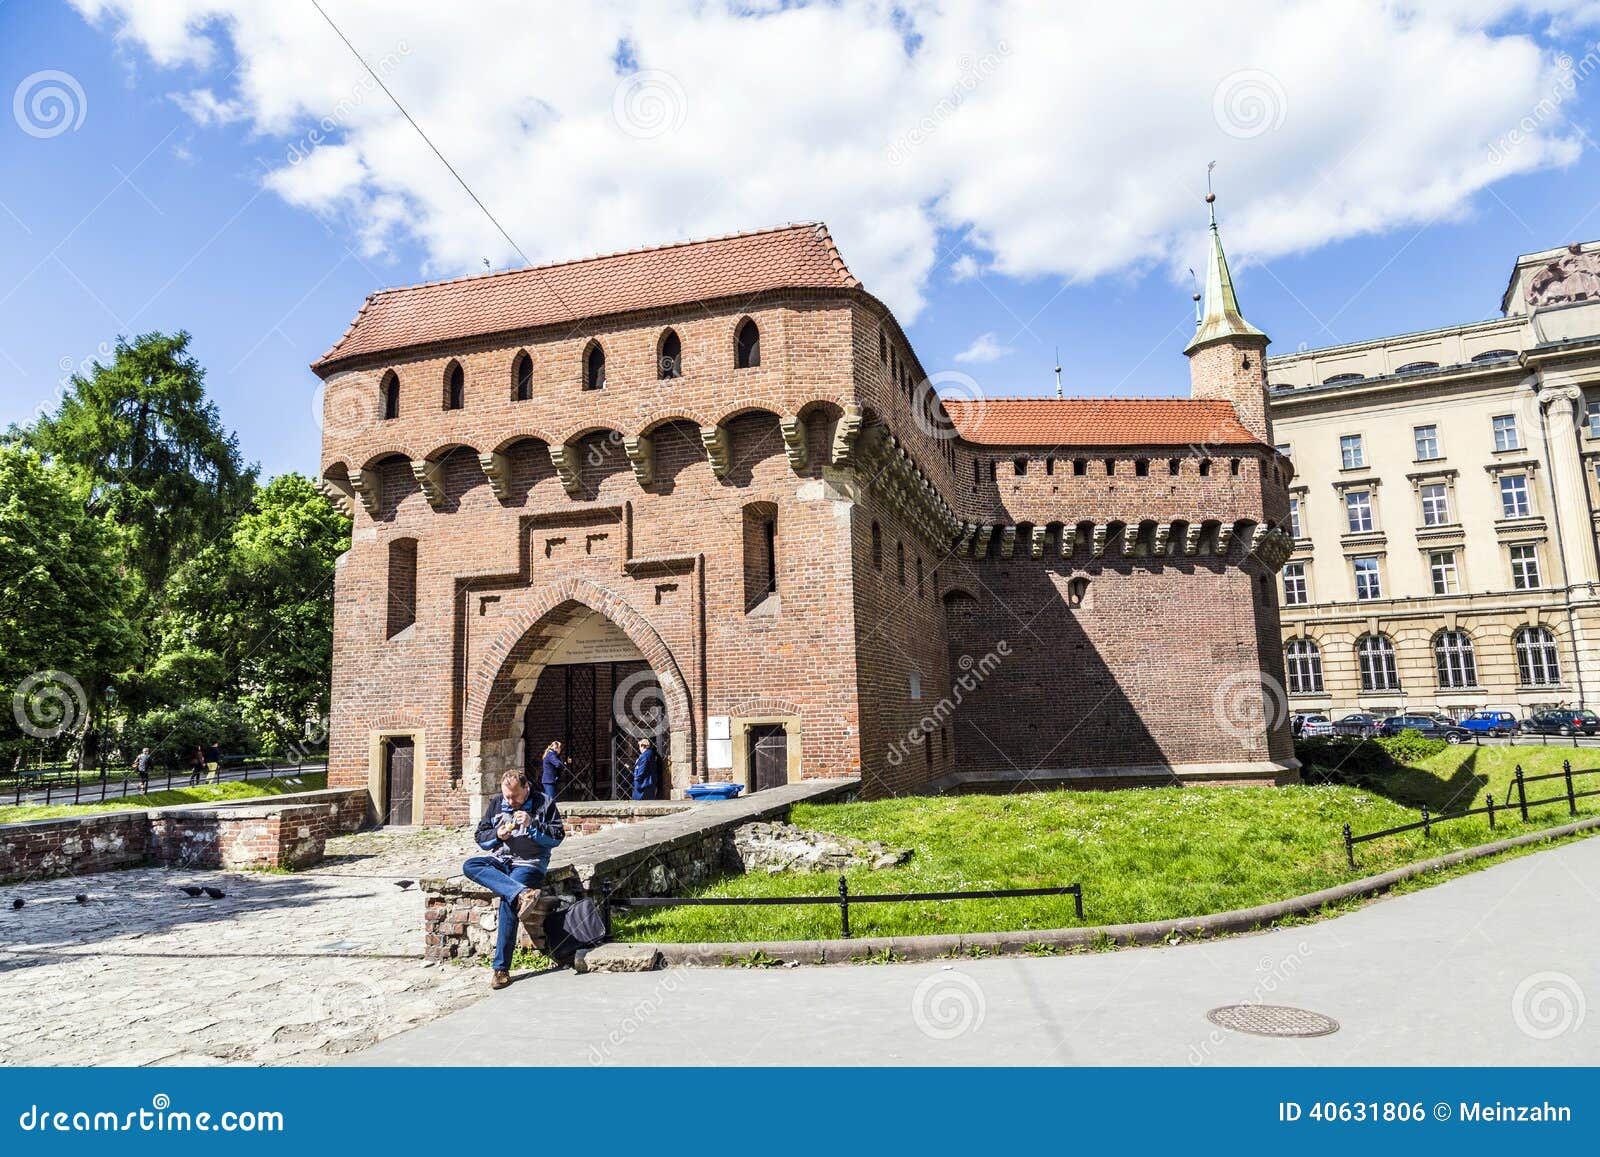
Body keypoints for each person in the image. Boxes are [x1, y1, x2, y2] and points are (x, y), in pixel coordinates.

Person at [462, 769, 565, 990]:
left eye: (515, 796)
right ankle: (521, 893)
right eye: (507, 796)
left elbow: (557, 837)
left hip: (530, 863)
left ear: (526, 788)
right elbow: (481, 836)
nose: (510, 801)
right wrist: (497, 835)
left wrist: (532, 824)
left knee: (508, 903)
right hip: (501, 859)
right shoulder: (497, 803)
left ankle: (501, 969)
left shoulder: (543, 802)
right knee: (470, 865)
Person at [631, 736, 661, 801]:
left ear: (642, 746)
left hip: (644, 783)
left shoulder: (645, 756)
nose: (639, 749)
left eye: (639, 746)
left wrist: (636, 778)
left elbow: (642, 770)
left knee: (642, 802)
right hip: (648, 782)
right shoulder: (649, 754)